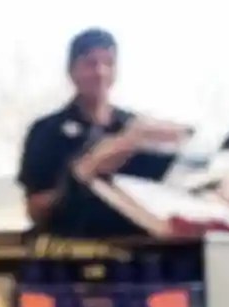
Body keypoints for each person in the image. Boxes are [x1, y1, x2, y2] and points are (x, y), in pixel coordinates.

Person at [17, 28, 185, 236]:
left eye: (108, 63)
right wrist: (86, 171)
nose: (100, 72)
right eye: (90, 63)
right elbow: (35, 211)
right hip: (72, 242)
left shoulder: (136, 127)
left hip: (138, 241)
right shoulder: (47, 131)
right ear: (72, 71)